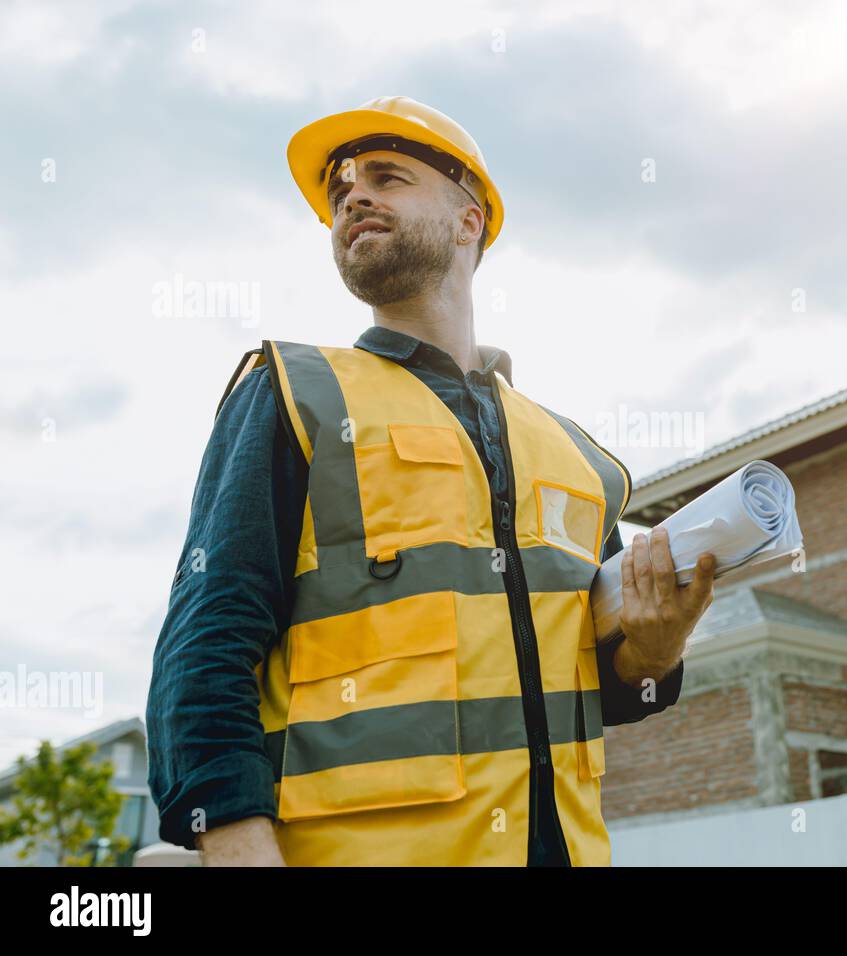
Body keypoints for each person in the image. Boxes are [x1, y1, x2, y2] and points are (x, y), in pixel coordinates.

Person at [146, 96, 716, 866]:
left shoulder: (578, 457)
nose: (354, 196)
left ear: (467, 219)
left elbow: (611, 690)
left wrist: (656, 650)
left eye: (387, 176)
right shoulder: (294, 394)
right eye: (343, 188)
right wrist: (236, 844)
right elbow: (206, 643)